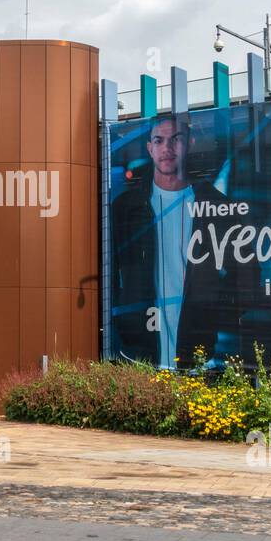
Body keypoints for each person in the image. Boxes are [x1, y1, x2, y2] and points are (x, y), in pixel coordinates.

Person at [111, 114, 233, 367]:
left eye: (175, 139)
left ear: (190, 143)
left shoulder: (215, 205)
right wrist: (123, 319)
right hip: (139, 350)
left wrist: (212, 314)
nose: (166, 148)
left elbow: (244, 273)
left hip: (198, 351)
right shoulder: (126, 208)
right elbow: (110, 272)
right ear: (150, 148)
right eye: (159, 140)